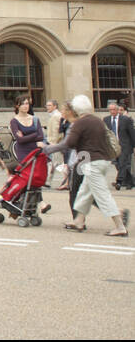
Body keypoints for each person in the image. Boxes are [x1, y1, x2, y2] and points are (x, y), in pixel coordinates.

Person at [41, 95, 130, 236]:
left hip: (91, 163)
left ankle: (120, 226)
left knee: (102, 195)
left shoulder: (80, 123)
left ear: (77, 109)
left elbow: (68, 144)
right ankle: (78, 221)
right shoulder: (97, 120)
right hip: (102, 161)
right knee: (84, 193)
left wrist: (47, 149)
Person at [105, 101, 135, 190]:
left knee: (122, 163)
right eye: (110, 110)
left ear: (117, 110)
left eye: (114, 109)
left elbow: (132, 134)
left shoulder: (125, 119)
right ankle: (131, 181)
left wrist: (134, 146)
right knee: (118, 164)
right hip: (113, 147)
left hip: (124, 145)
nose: (112, 111)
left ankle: (119, 181)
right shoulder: (106, 120)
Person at [9, 96, 45, 164]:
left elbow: (41, 136)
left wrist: (25, 137)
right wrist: (35, 134)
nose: (25, 106)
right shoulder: (14, 121)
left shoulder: (35, 119)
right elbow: (20, 140)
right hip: (23, 151)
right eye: (22, 104)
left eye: (27, 103)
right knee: (26, 172)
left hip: (36, 150)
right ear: (17, 106)